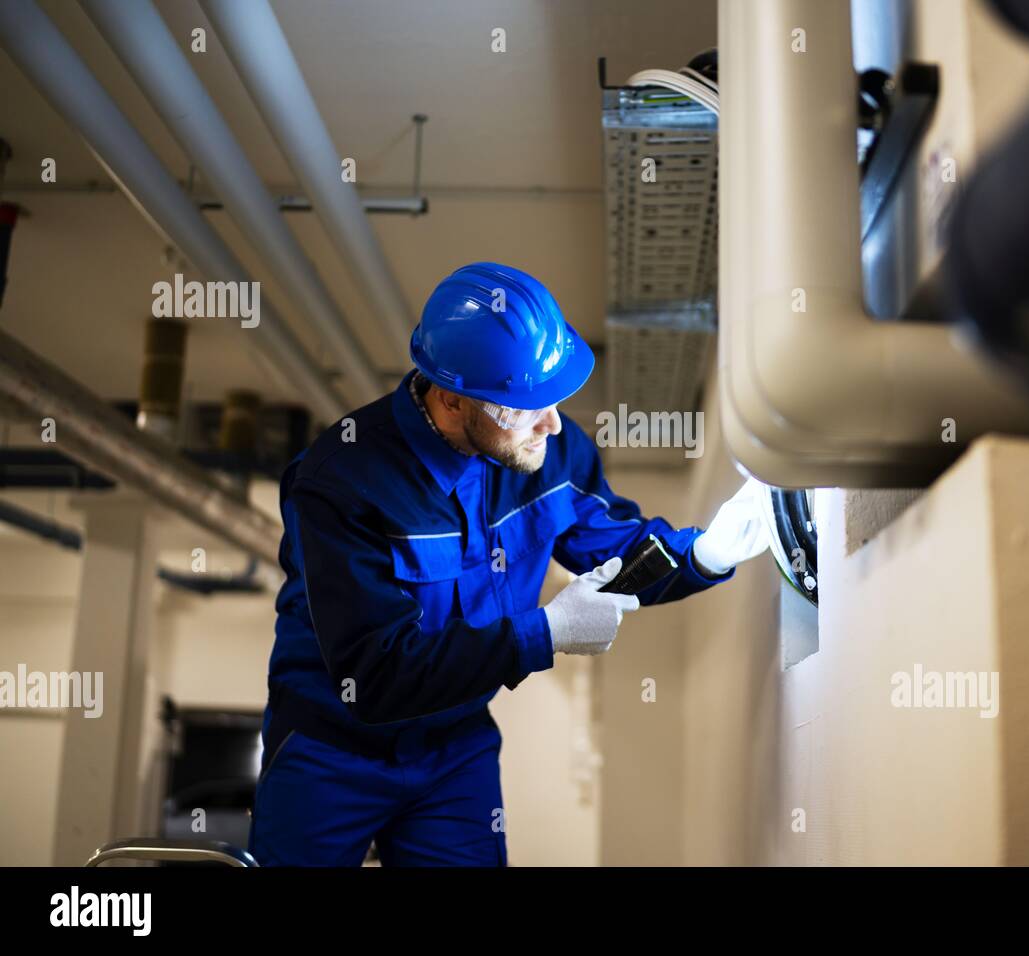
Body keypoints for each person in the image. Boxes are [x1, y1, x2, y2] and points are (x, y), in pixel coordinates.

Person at [249, 262, 768, 865]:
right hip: (327, 748)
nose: (552, 422)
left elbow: (613, 553)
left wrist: (703, 554)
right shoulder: (341, 481)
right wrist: (544, 633)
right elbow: (373, 674)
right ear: (450, 399)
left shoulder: (549, 448)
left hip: (454, 748)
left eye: (552, 399)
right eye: (524, 406)